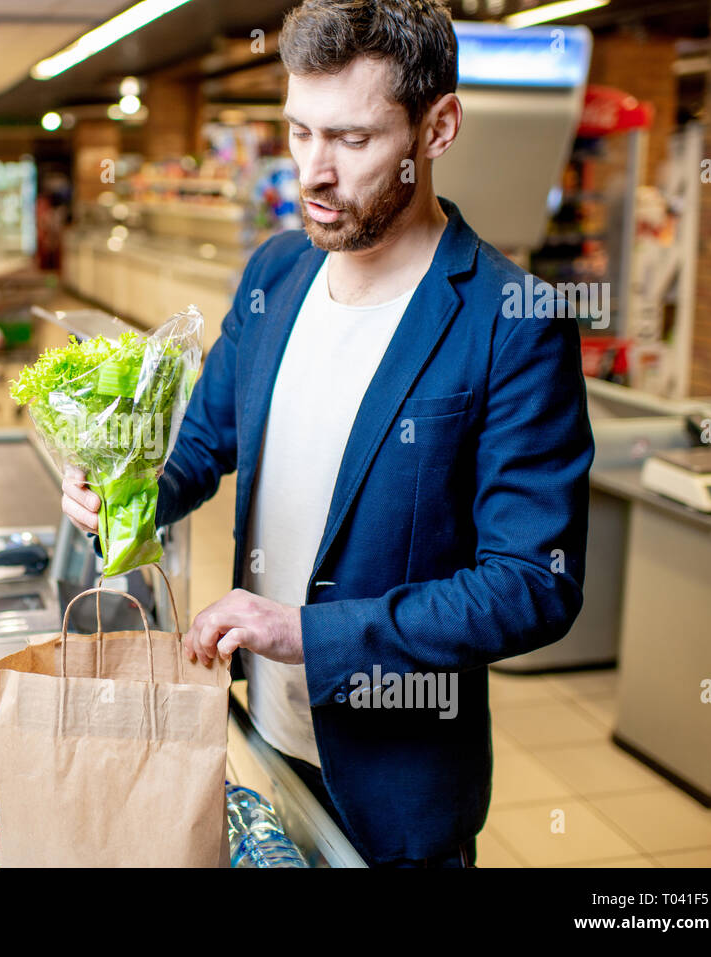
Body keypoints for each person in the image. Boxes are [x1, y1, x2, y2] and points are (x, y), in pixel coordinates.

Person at [62, 0, 594, 867]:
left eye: (351, 140)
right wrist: (123, 492)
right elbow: (203, 443)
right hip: (255, 738)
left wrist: (306, 632)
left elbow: (533, 583)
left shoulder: (510, 320)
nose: (313, 170)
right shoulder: (278, 270)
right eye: (299, 131)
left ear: (439, 126)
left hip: (396, 791)